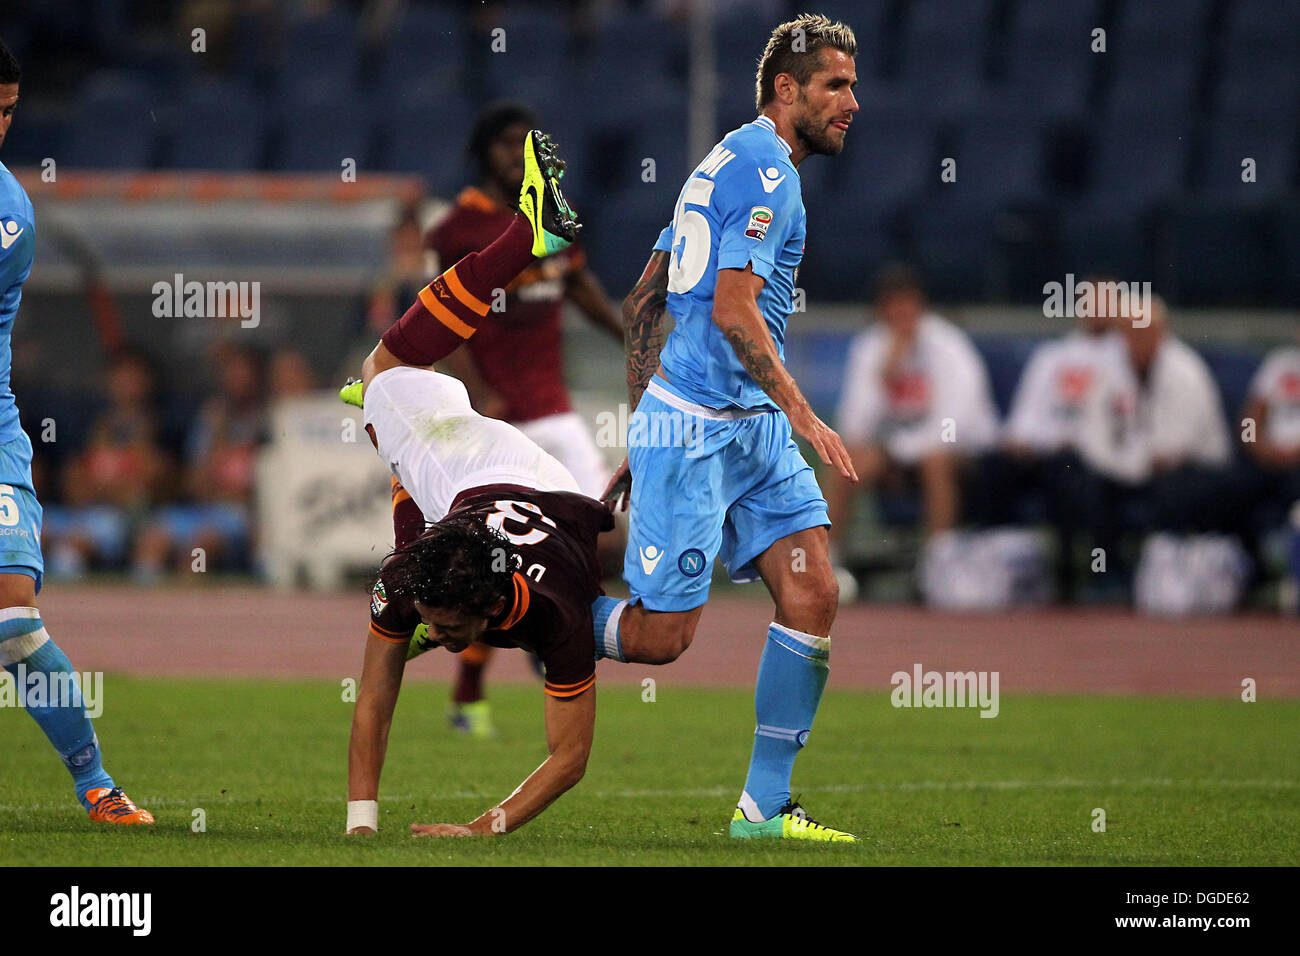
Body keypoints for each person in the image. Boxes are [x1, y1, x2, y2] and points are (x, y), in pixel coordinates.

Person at [599, 14, 860, 842]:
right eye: (835, 86)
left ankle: (763, 809)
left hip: (740, 429)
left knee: (814, 589)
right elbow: (735, 309)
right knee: (659, 639)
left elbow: (644, 299)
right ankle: (532, 605)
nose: (852, 102)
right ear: (788, 90)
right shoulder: (766, 175)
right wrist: (802, 411)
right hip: (703, 428)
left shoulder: (730, 157)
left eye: (852, 84)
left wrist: (640, 422)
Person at [343, 130, 614, 838]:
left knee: (384, 377)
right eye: (437, 621)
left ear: (493, 605)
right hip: (506, 469)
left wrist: (483, 827)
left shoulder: (544, 610)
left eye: (446, 625)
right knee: (391, 383)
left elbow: (572, 757)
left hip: (509, 471)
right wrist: (360, 825)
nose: (435, 630)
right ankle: (388, 398)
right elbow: (376, 694)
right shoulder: (416, 578)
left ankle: (531, 236)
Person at [424, 101, 625, 738]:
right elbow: (442, 316)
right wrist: (478, 392)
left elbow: (575, 284)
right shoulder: (459, 228)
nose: (519, 154)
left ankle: (504, 663)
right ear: (484, 151)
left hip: (556, 412)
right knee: (512, 552)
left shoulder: (549, 216)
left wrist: (641, 340)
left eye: (527, 144)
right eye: (509, 144)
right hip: (504, 420)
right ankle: (506, 667)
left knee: (594, 538)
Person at [0, 36, 153, 824]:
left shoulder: (10, 215)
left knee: (13, 619)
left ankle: (95, 784)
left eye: (7, 113)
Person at [824, 264, 999, 568]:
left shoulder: (948, 344)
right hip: (901, 451)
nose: (899, 313)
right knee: (846, 463)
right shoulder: (871, 346)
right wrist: (886, 372)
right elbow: (855, 426)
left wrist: (902, 451)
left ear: (920, 305)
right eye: (890, 306)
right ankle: (825, 560)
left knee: (935, 459)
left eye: (906, 304)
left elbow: (954, 424)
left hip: (966, 452)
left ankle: (938, 564)